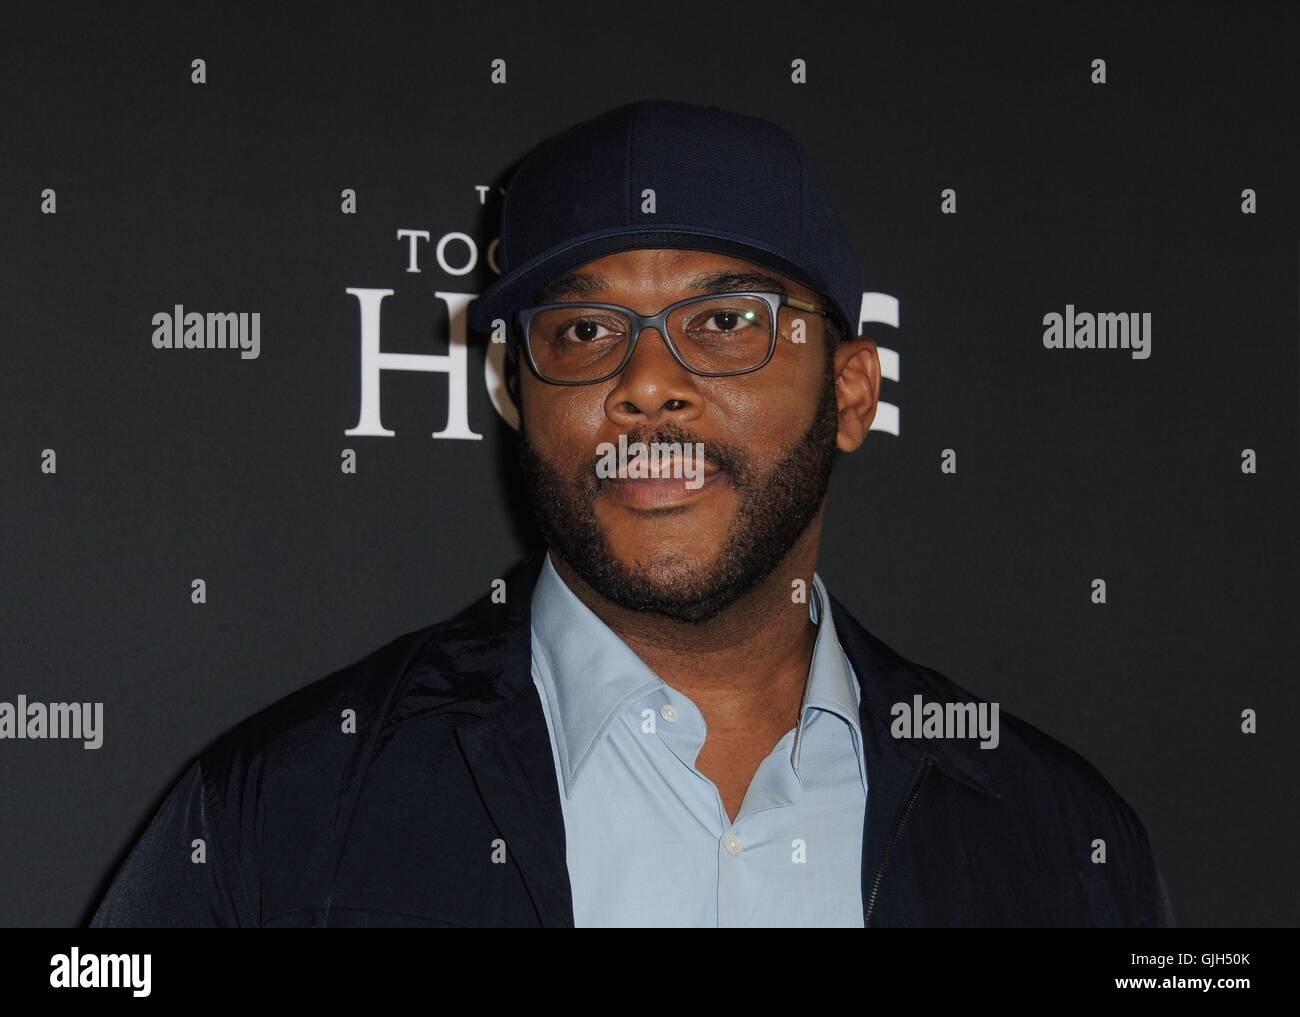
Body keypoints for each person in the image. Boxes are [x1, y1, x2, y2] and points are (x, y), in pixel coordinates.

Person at [89, 99, 1174, 927]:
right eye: (582, 333)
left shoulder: (1052, 833)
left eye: (723, 320)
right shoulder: (282, 808)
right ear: (517, 399)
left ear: (851, 392)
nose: (645, 383)